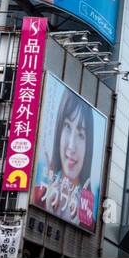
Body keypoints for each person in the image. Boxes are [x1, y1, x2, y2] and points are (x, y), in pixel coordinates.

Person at [32, 87, 96, 227]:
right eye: (67, 126)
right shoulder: (37, 195)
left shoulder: (89, 221)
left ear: (89, 146)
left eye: (81, 135)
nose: (71, 146)